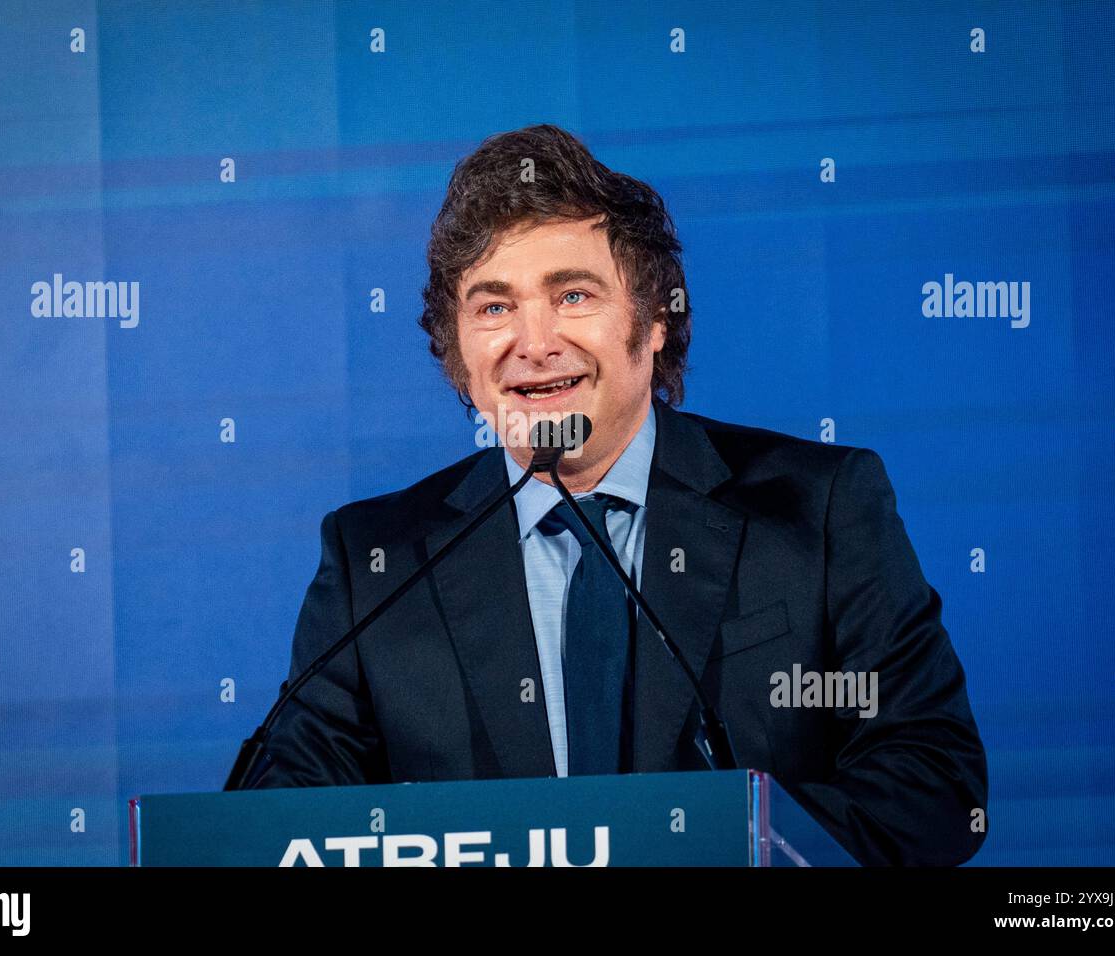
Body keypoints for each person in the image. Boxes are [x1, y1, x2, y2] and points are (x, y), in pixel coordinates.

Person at [249, 124, 988, 867]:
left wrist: (704, 844)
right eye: (494, 307)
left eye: (573, 295)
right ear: (459, 354)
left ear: (656, 319)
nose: (533, 343)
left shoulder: (819, 509)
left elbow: (937, 787)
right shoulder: (374, 562)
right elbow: (284, 824)